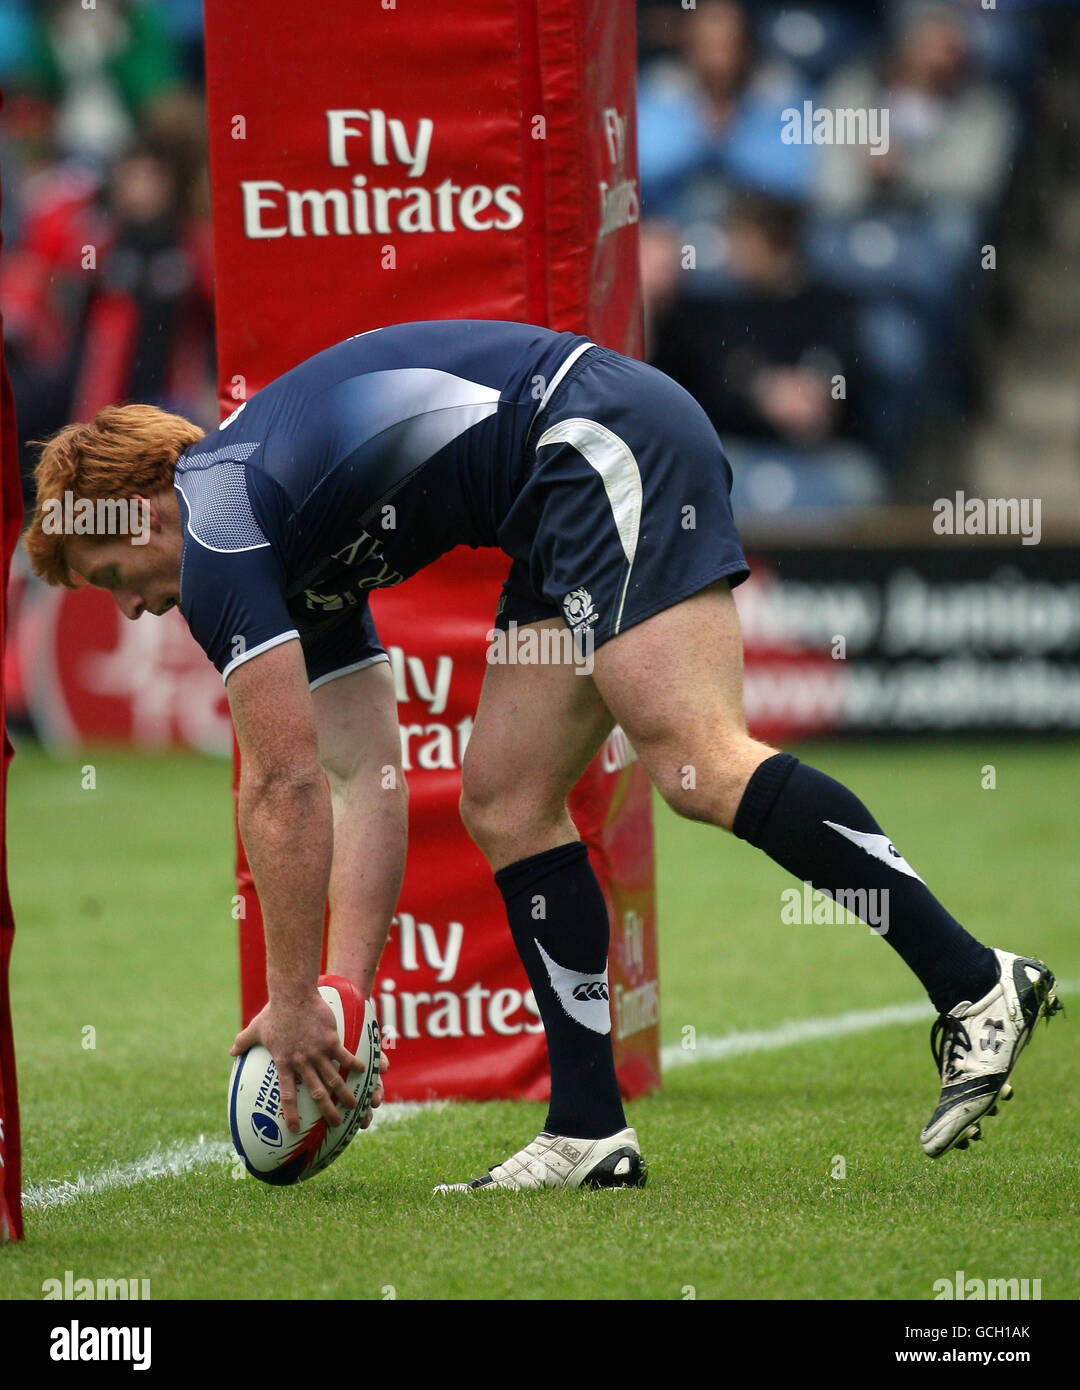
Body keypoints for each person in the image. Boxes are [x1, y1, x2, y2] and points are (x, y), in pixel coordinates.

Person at [23, 319, 1060, 1190]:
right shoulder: (269, 533)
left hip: (595, 437)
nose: (130, 606)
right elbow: (367, 783)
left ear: (141, 501)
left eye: (110, 570)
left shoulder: (216, 530)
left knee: (696, 762)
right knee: (507, 799)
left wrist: (292, 1004)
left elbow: (282, 785)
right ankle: (588, 1131)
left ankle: (974, 984)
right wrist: (339, 995)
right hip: (557, 487)